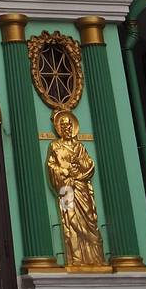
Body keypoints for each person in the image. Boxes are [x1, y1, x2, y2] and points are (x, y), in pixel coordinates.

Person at [46, 109, 106, 266]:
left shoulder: (80, 147)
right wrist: (64, 172)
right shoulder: (55, 147)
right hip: (66, 189)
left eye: (69, 126)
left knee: (90, 220)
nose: (67, 129)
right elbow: (52, 167)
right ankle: (77, 258)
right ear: (59, 129)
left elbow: (90, 166)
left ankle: (95, 257)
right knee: (70, 220)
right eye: (64, 126)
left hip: (82, 189)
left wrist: (79, 166)